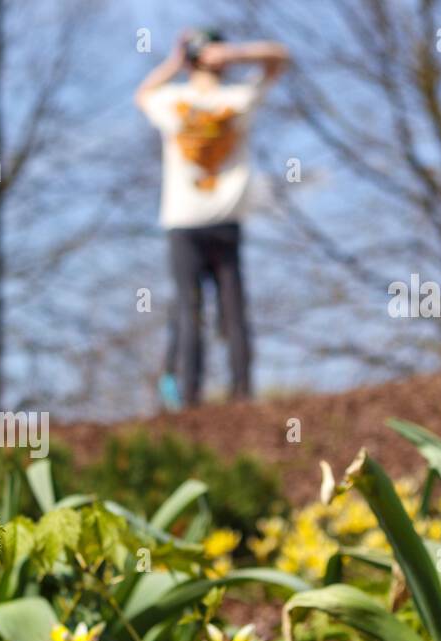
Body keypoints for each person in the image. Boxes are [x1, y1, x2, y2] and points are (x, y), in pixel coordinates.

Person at [135, 29, 290, 408]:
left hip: (217, 221)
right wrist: (176, 62)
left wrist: (233, 54)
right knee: (193, 312)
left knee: (229, 310)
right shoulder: (178, 99)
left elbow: (280, 56)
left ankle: (239, 395)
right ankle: (195, 400)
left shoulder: (234, 97)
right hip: (184, 222)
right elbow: (142, 96)